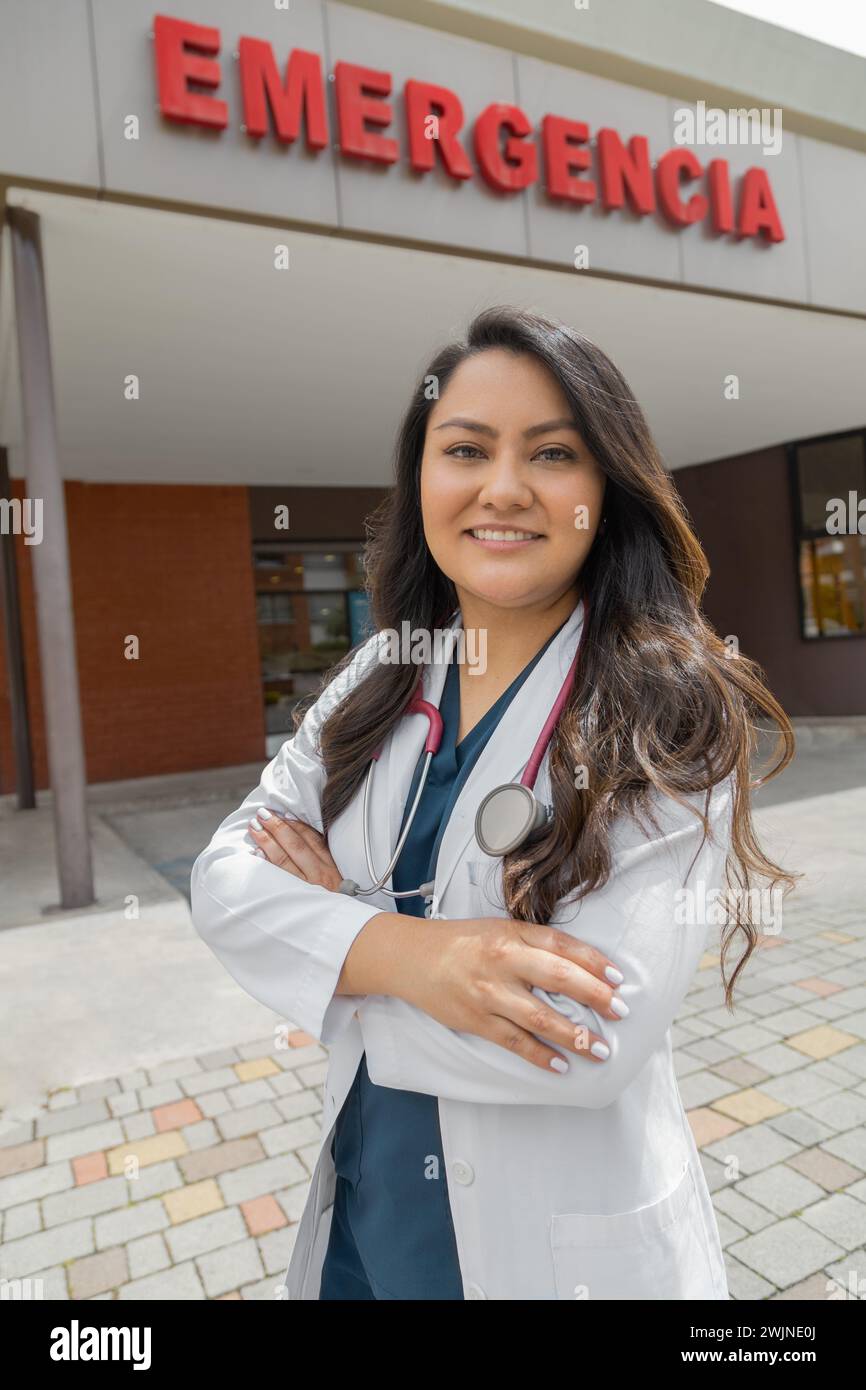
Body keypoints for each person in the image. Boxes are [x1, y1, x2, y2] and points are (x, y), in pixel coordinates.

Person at [190, 305, 795, 1301]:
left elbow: (583, 1039)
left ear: (603, 487)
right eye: (464, 449)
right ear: (420, 480)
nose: (502, 489)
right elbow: (224, 878)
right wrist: (412, 956)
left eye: (551, 454)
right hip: (369, 1224)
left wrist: (331, 945)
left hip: (560, 1260)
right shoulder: (379, 676)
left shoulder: (668, 710)